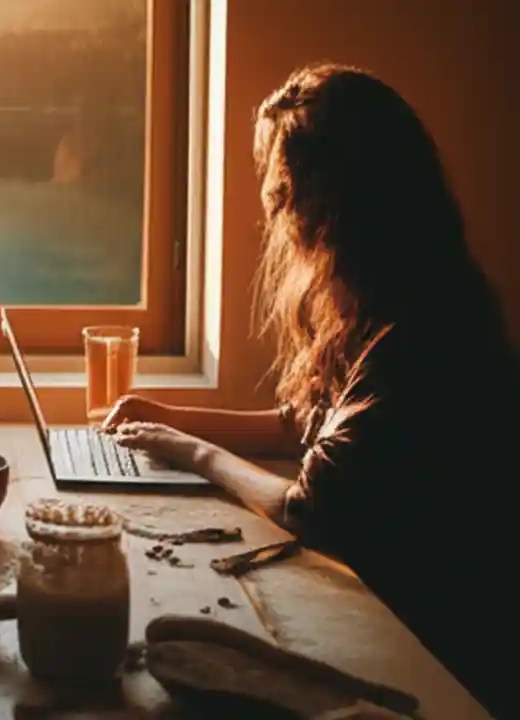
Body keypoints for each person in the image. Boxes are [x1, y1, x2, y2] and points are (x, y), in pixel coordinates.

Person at [105, 63, 516, 715]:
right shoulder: (394, 295)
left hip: (438, 646)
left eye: (289, 195)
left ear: (342, 201)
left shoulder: (425, 332)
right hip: (388, 600)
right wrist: (165, 417)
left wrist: (193, 452)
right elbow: (308, 423)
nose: (285, 220)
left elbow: (311, 509)